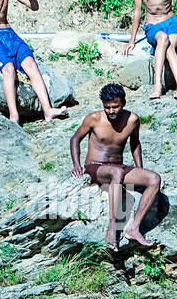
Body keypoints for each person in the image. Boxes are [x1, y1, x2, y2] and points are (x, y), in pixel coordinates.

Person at [69, 83, 162, 250]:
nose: (111, 111)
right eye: (107, 107)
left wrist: (139, 169)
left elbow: (135, 144)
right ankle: (112, 227)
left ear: (123, 103)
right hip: (95, 167)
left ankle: (134, 229)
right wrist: (76, 165)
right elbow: (75, 139)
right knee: (116, 172)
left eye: (115, 107)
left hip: (118, 167)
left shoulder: (132, 120)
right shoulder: (94, 119)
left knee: (154, 178)